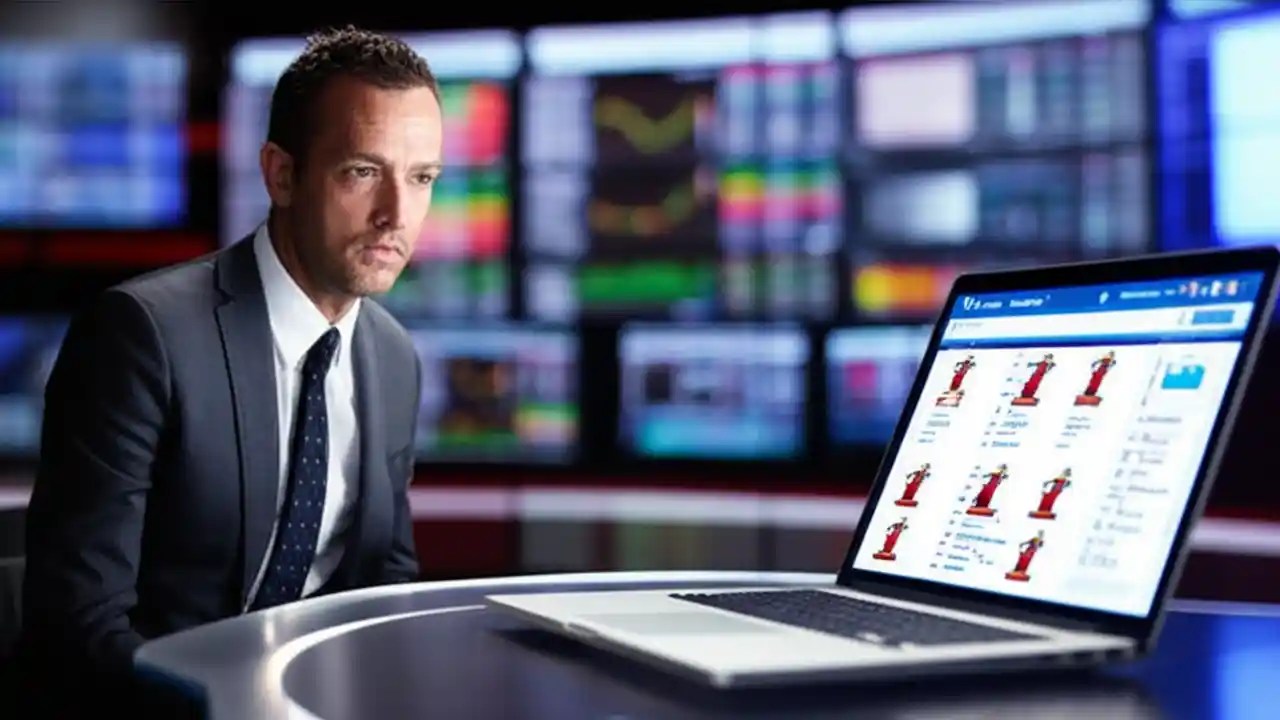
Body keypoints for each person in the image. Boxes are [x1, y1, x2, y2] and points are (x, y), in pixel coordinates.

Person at [18, 26, 443, 710]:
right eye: (363, 171)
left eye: (421, 178)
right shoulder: (145, 333)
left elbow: (382, 595)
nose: (397, 213)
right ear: (281, 173)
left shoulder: (392, 357)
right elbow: (79, 627)